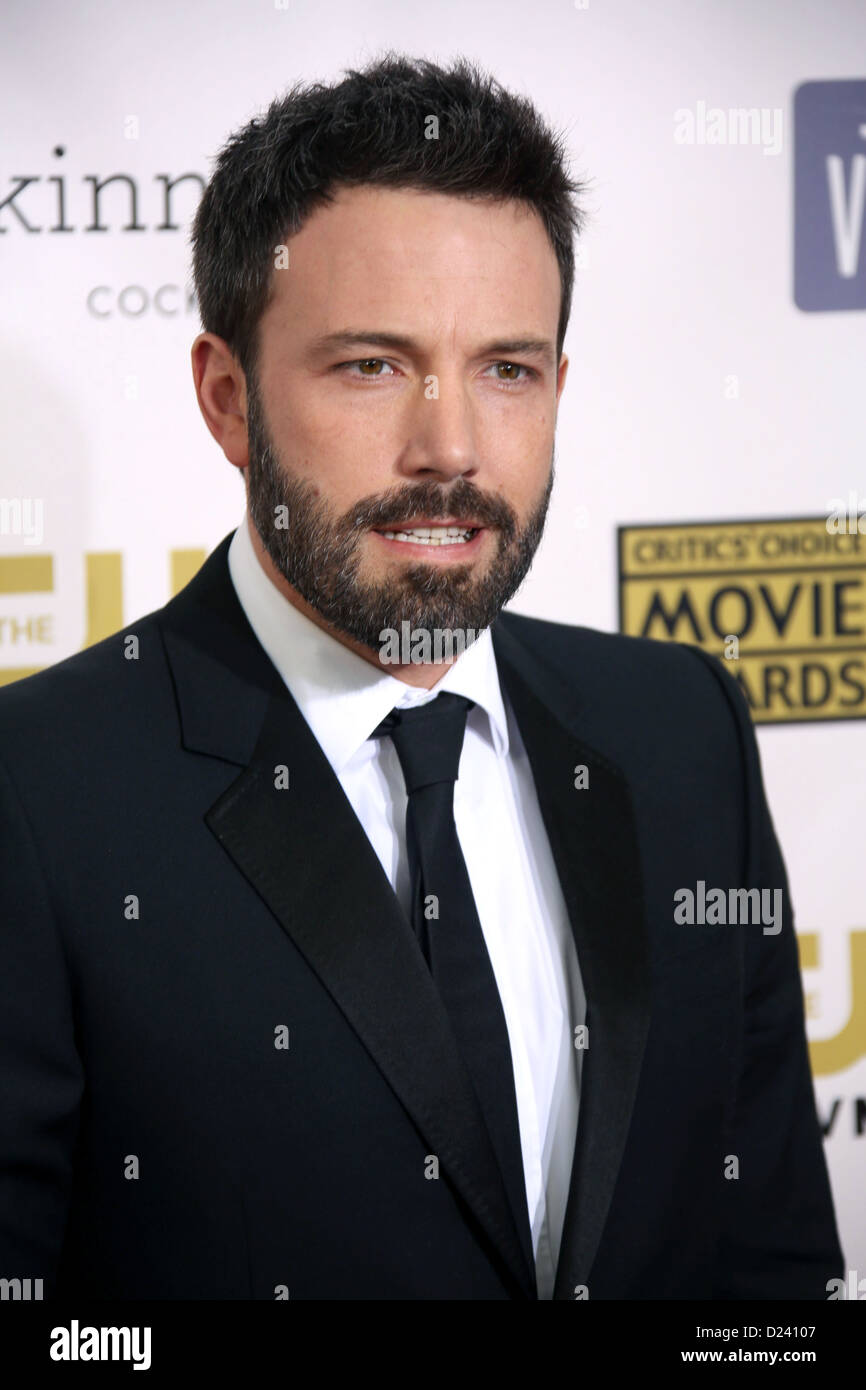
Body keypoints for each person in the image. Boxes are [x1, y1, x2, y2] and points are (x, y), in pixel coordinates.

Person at [0, 53, 843, 1301]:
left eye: (505, 368)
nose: (448, 448)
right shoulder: (38, 792)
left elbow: (764, 1273)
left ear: (556, 387)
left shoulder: (683, 732)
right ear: (229, 400)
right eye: (370, 365)